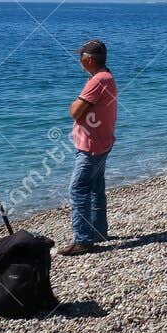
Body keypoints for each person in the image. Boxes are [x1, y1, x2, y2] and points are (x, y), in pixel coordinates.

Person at [60, 39, 118, 256]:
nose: (79, 61)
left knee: (78, 189)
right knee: (95, 188)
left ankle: (83, 240)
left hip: (92, 145)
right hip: (102, 141)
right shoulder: (106, 77)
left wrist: (73, 105)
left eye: (81, 57)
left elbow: (75, 111)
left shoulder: (98, 80)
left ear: (89, 60)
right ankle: (99, 231)